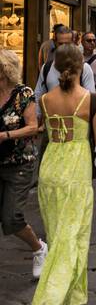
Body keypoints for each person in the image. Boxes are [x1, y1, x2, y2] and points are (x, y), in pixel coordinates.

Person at [31, 44, 96, 305]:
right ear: (81, 68)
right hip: (75, 172)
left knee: (65, 237)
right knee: (70, 239)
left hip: (50, 170)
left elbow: (44, 133)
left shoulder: (46, 100)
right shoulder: (91, 99)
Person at [0, 50, 47, 279]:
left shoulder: (24, 94)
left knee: (12, 218)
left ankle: (39, 249)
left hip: (20, 163)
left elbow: (33, 127)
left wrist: (6, 136)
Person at [34, 27, 95, 113]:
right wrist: (37, 118)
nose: (63, 47)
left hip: (77, 120)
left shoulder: (84, 68)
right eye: (60, 44)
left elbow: (90, 100)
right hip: (52, 121)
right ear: (55, 43)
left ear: (73, 43)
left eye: (67, 44)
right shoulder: (46, 68)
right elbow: (38, 95)